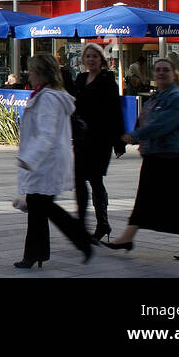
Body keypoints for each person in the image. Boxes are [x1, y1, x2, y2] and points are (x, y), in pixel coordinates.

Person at [103, 58, 179, 260]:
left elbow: (163, 124)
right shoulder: (158, 96)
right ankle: (127, 237)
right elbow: (146, 119)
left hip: (176, 156)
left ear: (173, 74)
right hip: (156, 155)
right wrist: (142, 140)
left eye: (165, 70)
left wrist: (136, 136)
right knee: (144, 199)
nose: (161, 73)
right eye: (157, 70)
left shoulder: (175, 97)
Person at [13, 53, 94, 269]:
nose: (29, 74)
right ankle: (35, 254)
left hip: (46, 162)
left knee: (46, 209)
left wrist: (30, 159)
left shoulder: (48, 98)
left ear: (40, 73)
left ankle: (81, 241)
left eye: (31, 70)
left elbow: (46, 134)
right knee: (39, 209)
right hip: (46, 161)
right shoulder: (44, 95)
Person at [71, 43, 125, 241]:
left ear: (101, 60)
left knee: (94, 179)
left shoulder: (107, 82)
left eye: (95, 56)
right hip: (82, 138)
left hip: (100, 139)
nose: (91, 59)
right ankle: (85, 220)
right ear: (84, 60)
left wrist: (119, 141)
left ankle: (102, 221)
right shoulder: (80, 79)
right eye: (88, 56)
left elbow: (115, 112)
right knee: (78, 178)